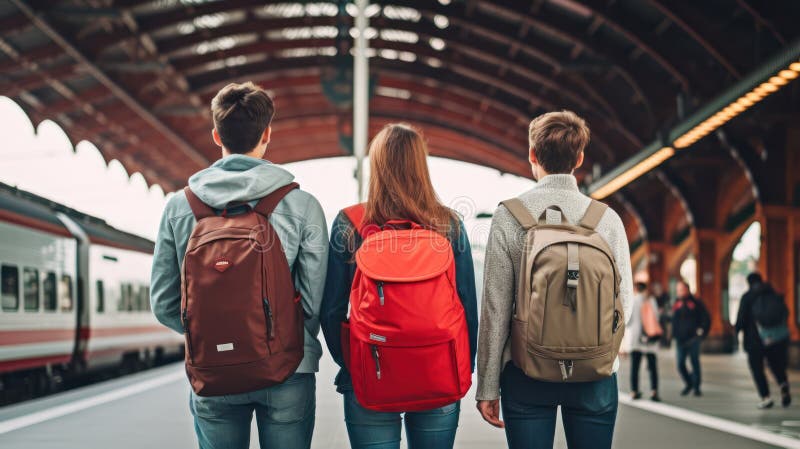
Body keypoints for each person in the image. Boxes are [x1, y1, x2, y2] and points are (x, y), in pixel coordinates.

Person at [150, 82, 328, 449]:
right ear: (266, 135)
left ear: (217, 135)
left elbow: (165, 303)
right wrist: (276, 336)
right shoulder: (302, 205)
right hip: (288, 371)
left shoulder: (179, 207)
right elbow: (314, 300)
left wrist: (215, 331)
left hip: (213, 371)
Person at [476, 110, 634, 449]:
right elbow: (626, 303)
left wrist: (488, 386)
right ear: (579, 158)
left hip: (526, 372)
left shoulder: (509, 216)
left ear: (533, 155)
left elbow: (495, 308)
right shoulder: (606, 220)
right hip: (595, 374)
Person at [320, 123, 479, 449]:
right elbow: (467, 308)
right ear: (421, 165)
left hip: (370, 374)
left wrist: (354, 365)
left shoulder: (350, 223)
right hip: (438, 373)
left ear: (376, 165)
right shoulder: (448, 224)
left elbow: (332, 310)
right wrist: (462, 364)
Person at [735, 272, 792, 408]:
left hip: (753, 340)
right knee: (776, 364)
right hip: (773, 338)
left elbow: (741, 319)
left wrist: (737, 333)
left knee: (757, 369)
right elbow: (785, 312)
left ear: (749, 283)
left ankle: (766, 397)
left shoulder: (747, 297)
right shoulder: (773, 293)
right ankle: (783, 384)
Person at [671, 279, 710, 397]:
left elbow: (706, 318)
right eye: (678, 290)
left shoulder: (696, 303)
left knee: (694, 362)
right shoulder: (676, 304)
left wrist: (702, 331)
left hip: (693, 338)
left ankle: (697, 387)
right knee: (680, 364)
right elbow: (674, 321)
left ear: (687, 290)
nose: (679, 292)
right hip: (680, 339)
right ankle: (689, 383)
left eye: (681, 289)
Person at [627, 282, 662, 402]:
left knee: (635, 367)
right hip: (650, 338)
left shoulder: (633, 300)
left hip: (636, 339)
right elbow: (656, 318)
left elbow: (628, 320)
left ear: (635, 289)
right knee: (652, 367)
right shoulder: (651, 300)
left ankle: (634, 391)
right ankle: (654, 391)